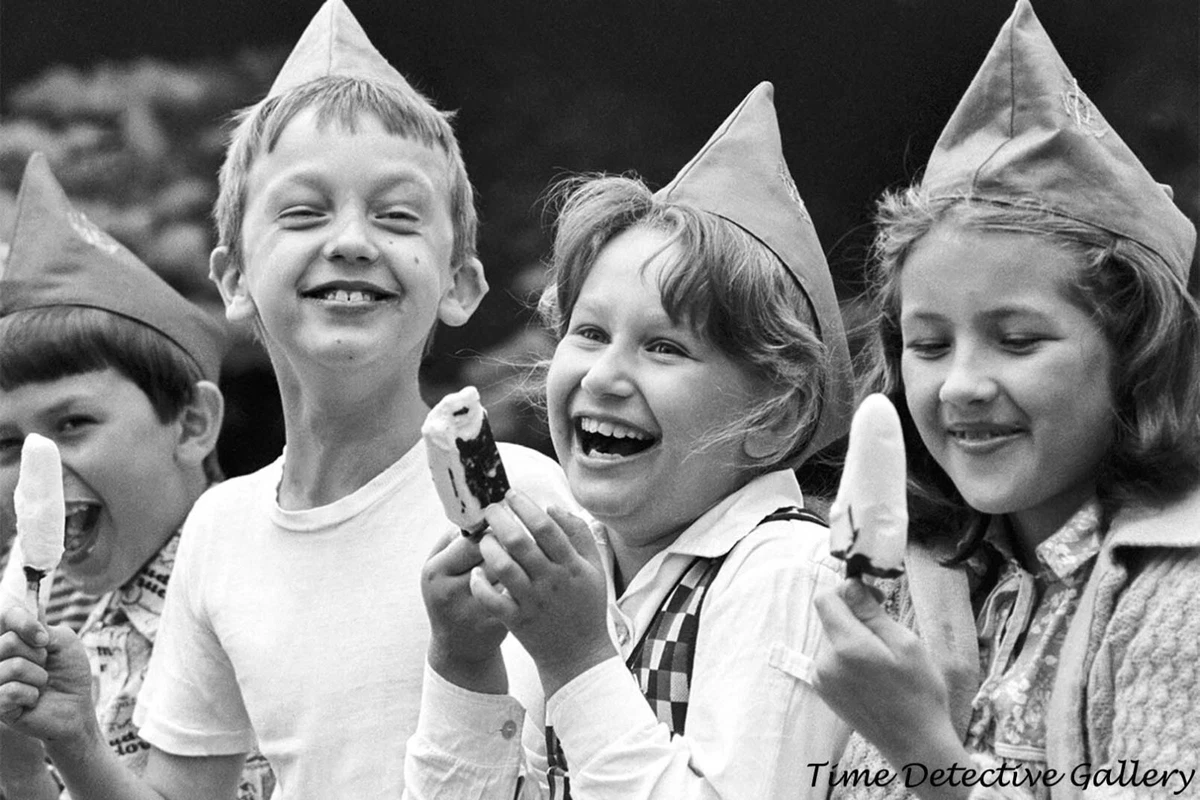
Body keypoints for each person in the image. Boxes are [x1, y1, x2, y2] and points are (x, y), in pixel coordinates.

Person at [0, 2, 577, 798]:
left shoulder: (526, 501)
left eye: (396, 215)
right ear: (233, 279)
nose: (351, 241)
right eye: (304, 213)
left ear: (459, 284)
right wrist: (75, 739)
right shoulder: (220, 534)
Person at [406, 81, 856, 799]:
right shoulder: (578, 573)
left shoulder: (787, 573)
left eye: (664, 347)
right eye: (588, 333)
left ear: (774, 413)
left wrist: (578, 660)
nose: (603, 376)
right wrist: (464, 666)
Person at [812, 2, 1200, 798]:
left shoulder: (1177, 594)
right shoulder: (907, 579)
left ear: (1137, 351)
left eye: (1017, 340)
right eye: (928, 345)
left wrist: (924, 749)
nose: (961, 384)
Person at [0, 154, 273, 799]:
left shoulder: (254, 587)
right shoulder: (42, 607)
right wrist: (16, 765)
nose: (36, 466)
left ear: (191, 423)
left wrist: (74, 742)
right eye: (8, 443)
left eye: (72, 424)